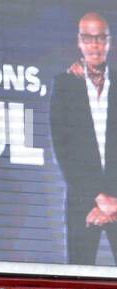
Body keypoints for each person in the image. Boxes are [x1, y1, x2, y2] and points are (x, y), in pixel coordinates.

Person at [50, 13, 117, 264]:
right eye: (88, 38)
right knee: (78, 276)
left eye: (100, 38)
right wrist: (100, 198)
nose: (95, 45)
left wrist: (115, 203)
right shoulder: (66, 85)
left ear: (109, 42)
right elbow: (64, 149)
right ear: (79, 42)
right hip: (82, 200)